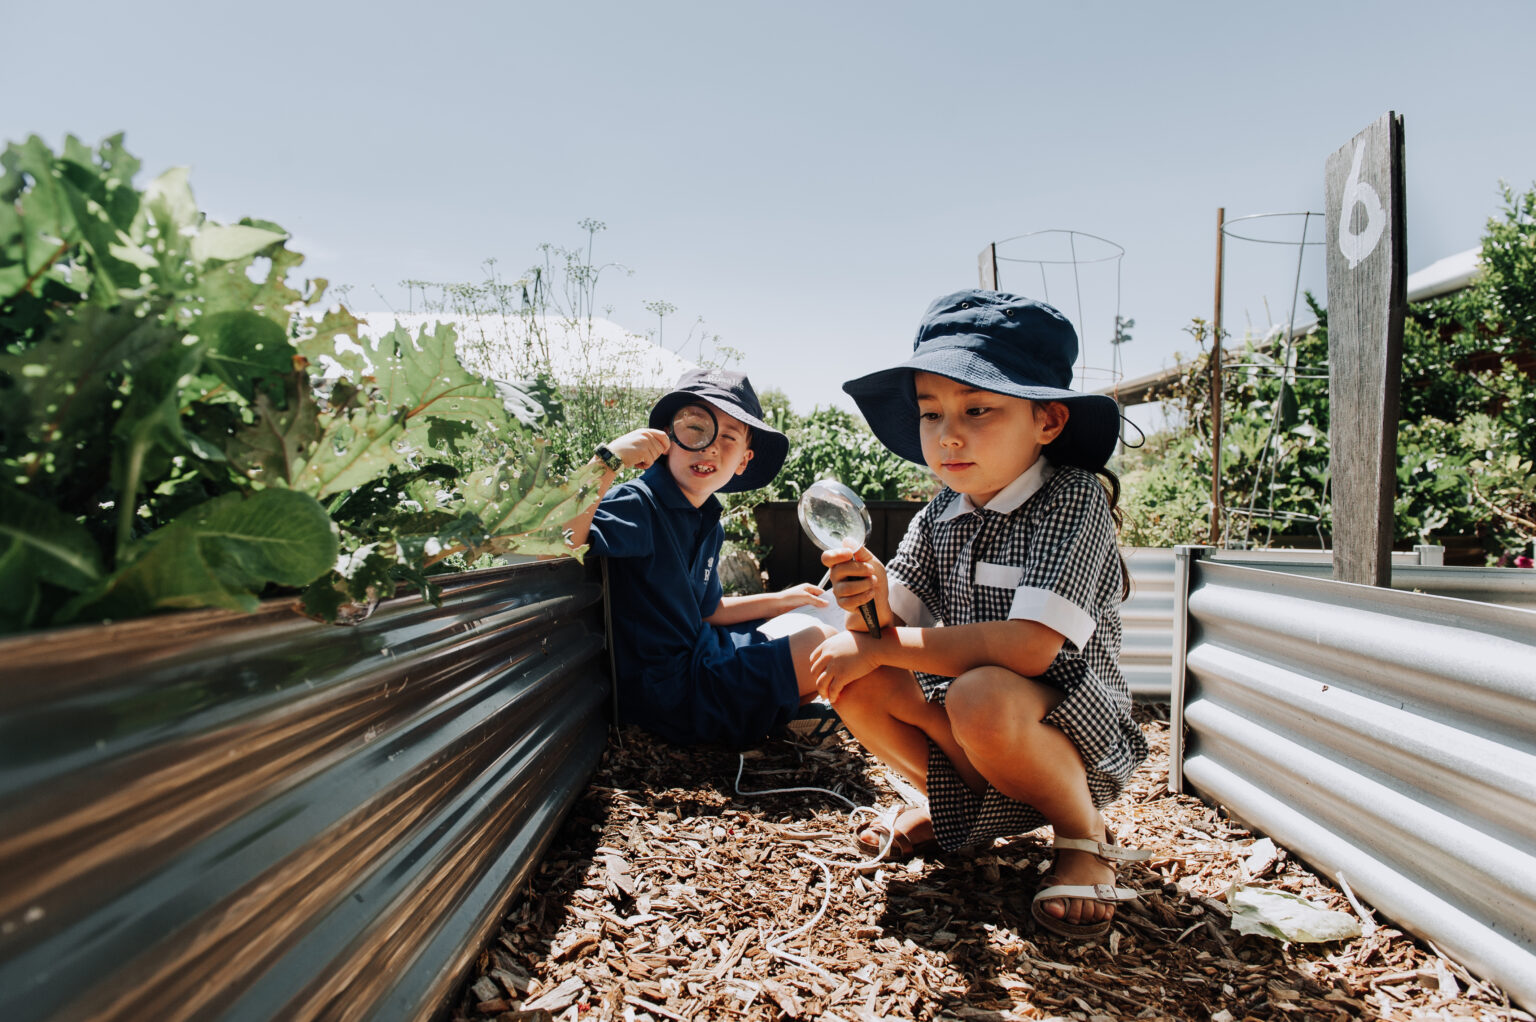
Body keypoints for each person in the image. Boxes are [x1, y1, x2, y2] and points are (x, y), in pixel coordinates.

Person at [811, 289, 1150, 941]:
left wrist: (884, 644)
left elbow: (1028, 648)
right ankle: (957, 811)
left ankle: (1082, 832)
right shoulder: (939, 514)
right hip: (976, 738)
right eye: (930, 413)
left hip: (1070, 736)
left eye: (977, 409)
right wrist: (867, 600)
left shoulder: (1070, 501)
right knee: (853, 680)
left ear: (1047, 422)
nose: (948, 434)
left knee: (983, 693)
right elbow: (882, 634)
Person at [565, 367, 840, 749]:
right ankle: (767, 716)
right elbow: (560, 543)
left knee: (821, 629)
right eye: (696, 428)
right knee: (823, 645)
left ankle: (772, 713)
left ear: (743, 461)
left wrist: (784, 598)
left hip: (703, 653)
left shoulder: (708, 519)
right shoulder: (640, 504)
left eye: (728, 437)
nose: (710, 446)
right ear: (667, 440)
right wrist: (607, 462)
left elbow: (709, 611)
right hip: (670, 690)